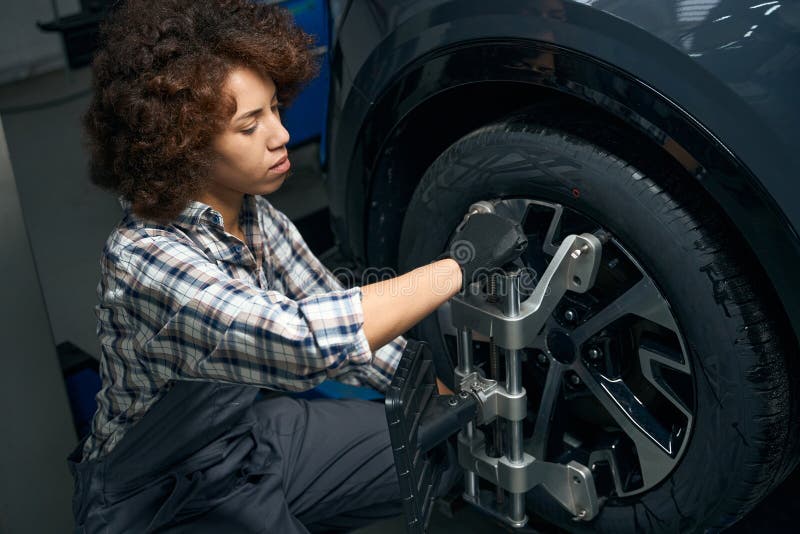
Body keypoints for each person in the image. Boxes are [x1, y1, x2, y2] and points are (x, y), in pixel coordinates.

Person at [68, 1, 527, 532]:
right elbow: (304, 342)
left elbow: (341, 323)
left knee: (436, 442)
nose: (281, 134)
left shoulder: (256, 217)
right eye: (249, 126)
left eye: (274, 109)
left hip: (244, 441)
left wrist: (452, 398)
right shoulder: (147, 261)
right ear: (184, 147)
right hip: (156, 495)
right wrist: (460, 265)